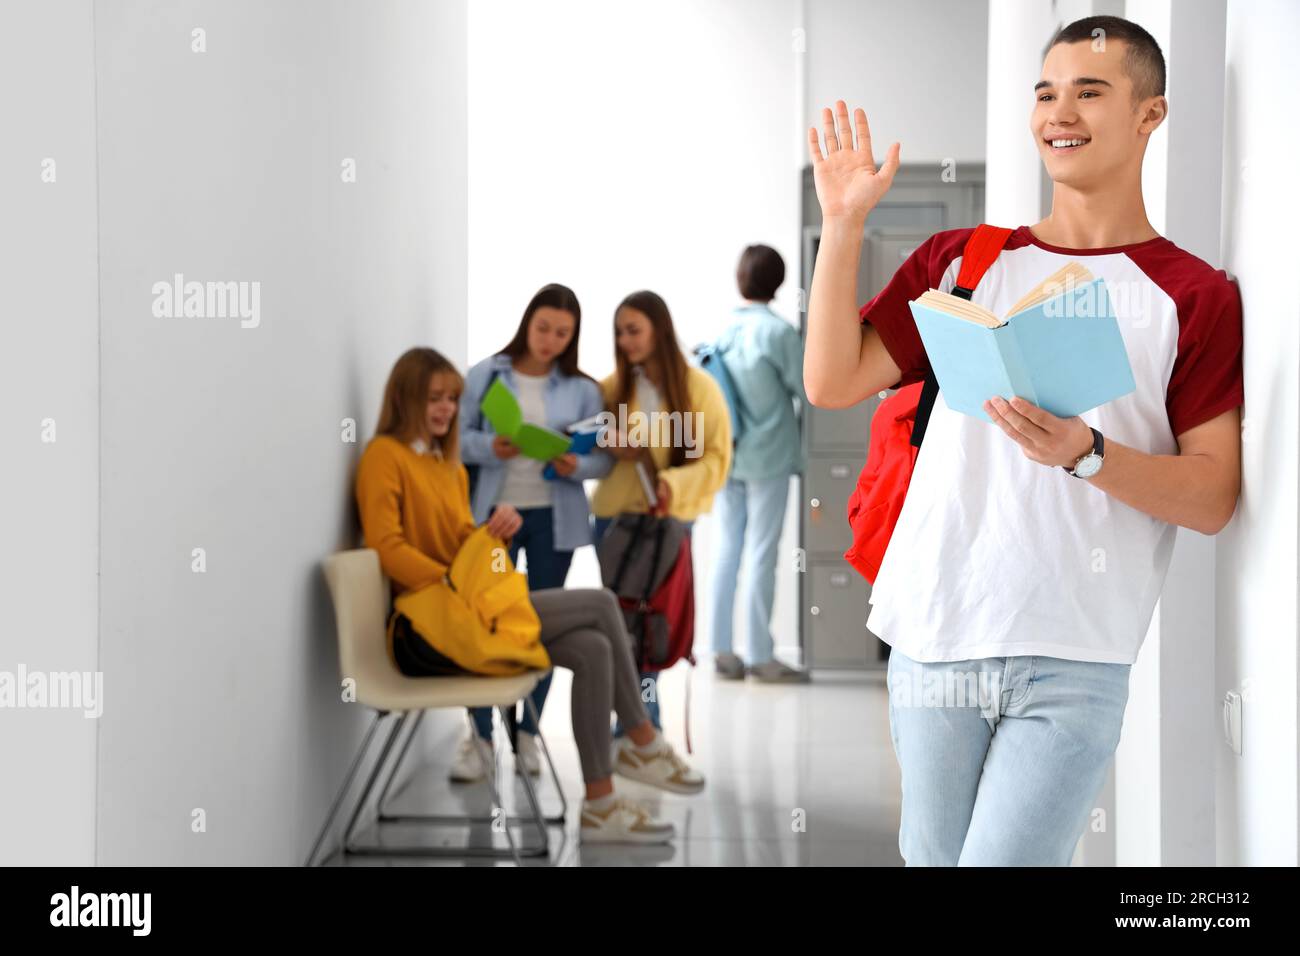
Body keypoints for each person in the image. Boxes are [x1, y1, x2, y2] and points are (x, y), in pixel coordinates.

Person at [804, 15, 1243, 865]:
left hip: (1077, 655)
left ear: (1150, 115)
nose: (1059, 112)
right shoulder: (962, 260)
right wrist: (844, 224)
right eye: (1046, 93)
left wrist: (1088, 453)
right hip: (933, 637)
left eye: (1089, 90)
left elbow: (1214, 494)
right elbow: (832, 380)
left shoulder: (1193, 294)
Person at [355, 347, 705, 844]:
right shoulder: (383, 458)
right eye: (434, 398)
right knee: (602, 604)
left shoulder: (446, 465)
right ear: (405, 397)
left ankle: (601, 805)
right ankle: (641, 740)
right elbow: (388, 549)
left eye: (452, 399)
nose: (446, 409)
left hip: (462, 612)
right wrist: (455, 583)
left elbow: (463, 546)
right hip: (426, 630)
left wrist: (492, 535)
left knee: (594, 648)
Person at [455, 284, 612, 784]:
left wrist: (575, 463)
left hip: (553, 520)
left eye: (562, 333)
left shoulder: (584, 390)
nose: (550, 340)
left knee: (542, 624)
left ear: (573, 337)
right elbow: (454, 440)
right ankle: (479, 738)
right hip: (494, 517)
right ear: (527, 323)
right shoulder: (485, 375)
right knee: (484, 622)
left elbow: (604, 457)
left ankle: (528, 735)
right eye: (543, 328)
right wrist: (488, 446)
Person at [591, 291, 731, 745]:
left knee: (652, 624)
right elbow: (589, 447)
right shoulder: (611, 389)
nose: (625, 340)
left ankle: (641, 724)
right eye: (619, 332)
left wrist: (671, 483)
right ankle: (637, 725)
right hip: (614, 522)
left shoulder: (699, 387)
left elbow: (717, 458)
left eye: (634, 330)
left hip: (670, 522)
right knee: (619, 625)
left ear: (659, 329)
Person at [708, 244, 809, 683]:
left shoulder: (723, 330)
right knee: (762, 553)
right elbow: (810, 389)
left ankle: (720, 650)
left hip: (728, 453)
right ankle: (761, 656)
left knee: (727, 551)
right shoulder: (779, 333)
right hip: (768, 456)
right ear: (779, 281)